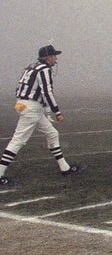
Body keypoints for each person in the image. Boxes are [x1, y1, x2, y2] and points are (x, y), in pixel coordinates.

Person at [0, 45, 81, 185]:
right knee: (18, 140)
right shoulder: (44, 70)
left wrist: (45, 110)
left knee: (52, 134)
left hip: (26, 105)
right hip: (32, 107)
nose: (56, 59)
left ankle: (65, 168)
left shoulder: (31, 68)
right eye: (54, 56)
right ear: (48, 57)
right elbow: (47, 92)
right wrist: (57, 112)